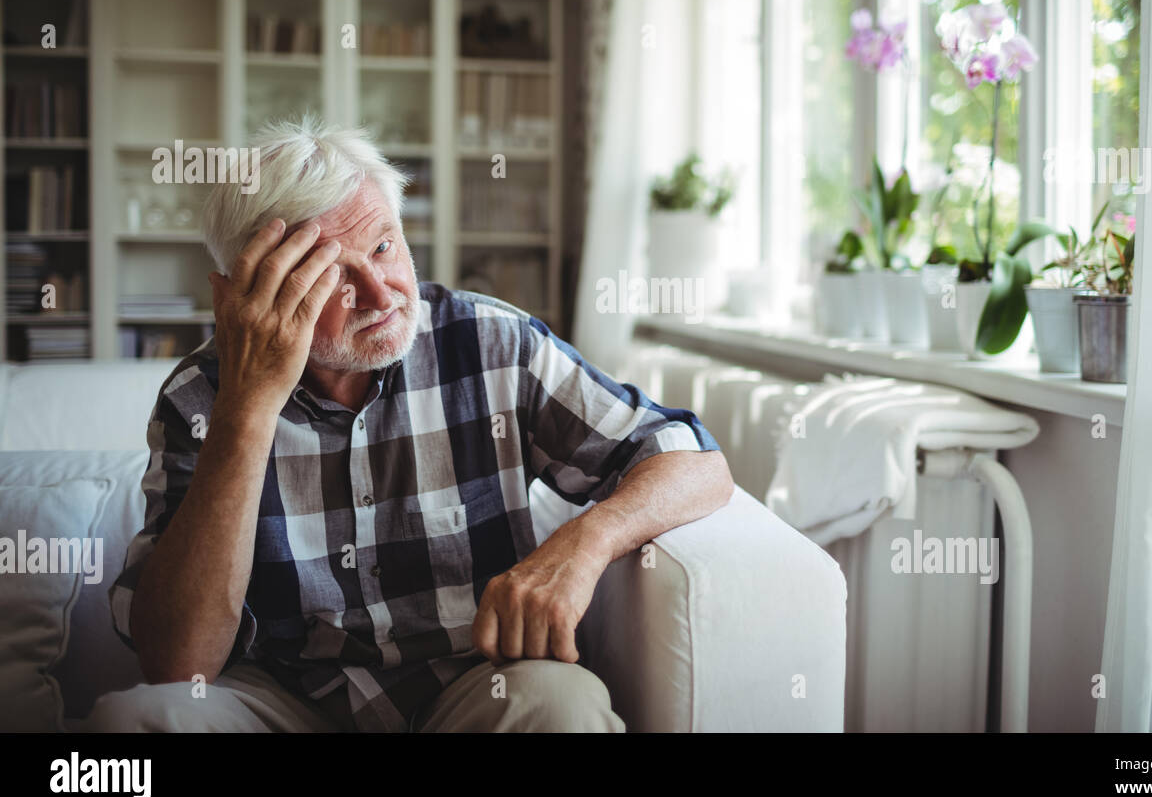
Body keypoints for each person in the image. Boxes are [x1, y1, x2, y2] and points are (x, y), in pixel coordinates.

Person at [86, 117, 733, 733]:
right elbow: (176, 663)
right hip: (280, 698)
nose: (380, 292)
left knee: (561, 704)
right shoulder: (199, 397)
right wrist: (248, 409)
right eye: (331, 276)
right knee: (131, 721)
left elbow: (693, 459)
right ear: (242, 297)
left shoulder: (489, 342)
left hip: (472, 690)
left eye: (383, 245)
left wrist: (583, 544)